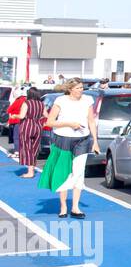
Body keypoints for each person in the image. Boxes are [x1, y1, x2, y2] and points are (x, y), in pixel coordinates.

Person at [38, 79, 98, 218]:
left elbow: (91, 121)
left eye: (82, 88)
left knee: (78, 172)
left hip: (82, 140)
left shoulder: (88, 100)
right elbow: (50, 122)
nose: (81, 90)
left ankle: (75, 207)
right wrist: (69, 124)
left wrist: (95, 141)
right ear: (70, 89)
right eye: (78, 88)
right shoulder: (61, 100)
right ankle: (63, 206)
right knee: (64, 172)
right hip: (63, 139)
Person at [13, 87, 45, 178]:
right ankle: (32, 169)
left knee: (27, 149)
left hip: (27, 126)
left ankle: (30, 172)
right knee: (34, 148)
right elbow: (46, 115)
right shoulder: (41, 104)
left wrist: (15, 116)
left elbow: (22, 116)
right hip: (38, 127)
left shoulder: (26, 103)